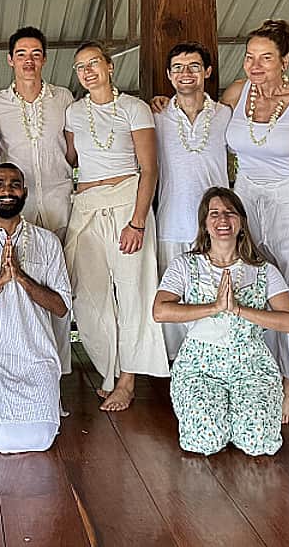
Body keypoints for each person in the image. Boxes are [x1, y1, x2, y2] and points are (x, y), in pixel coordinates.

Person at [221, 19, 289, 424]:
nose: (255, 65)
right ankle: (256, 378)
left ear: (284, 60)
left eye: (265, 58)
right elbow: (199, 120)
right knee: (251, 287)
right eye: (250, 56)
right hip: (246, 197)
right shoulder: (235, 93)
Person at [153, 187, 289, 456]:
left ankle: (238, 420)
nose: (223, 220)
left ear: (241, 222)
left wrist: (238, 309)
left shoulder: (262, 269)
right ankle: (222, 419)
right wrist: (214, 307)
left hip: (252, 364)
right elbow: (160, 311)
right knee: (204, 441)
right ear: (205, 224)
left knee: (258, 443)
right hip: (200, 365)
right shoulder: (186, 265)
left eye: (230, 213)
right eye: (214, 214)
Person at [63, 41, 169, 412]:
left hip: (128, 204)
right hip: (87, 207)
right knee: (88, 298)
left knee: (133, 293)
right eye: (80, 67)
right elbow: (72, 157)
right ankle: (109, 370)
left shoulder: (134, 108)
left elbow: (149, 168)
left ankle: (127, 380)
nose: (88, 71)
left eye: (94, 63)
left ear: (109, 67)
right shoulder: (74, 113)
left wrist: (137, 221)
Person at [0, 164, 71, 453]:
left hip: (38, 358)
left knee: (42, 437)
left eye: (14, 184)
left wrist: (21, 277)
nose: (7, 190)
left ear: (25, 192)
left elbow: (60, 308)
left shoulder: (48, 242)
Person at [0, 27, 76, 372]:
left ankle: (58, 371)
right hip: (17, 205)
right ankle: (21, 366)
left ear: (45, 59)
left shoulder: (64, 98)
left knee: (57, 286)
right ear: (10, 60)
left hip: (59, 200)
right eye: (21, 54)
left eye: (36, 54)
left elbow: (73, 149)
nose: (29, 60)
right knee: (18, 284)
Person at [151, 42, 231, 361]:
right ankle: (178, 372)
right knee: (174, 302)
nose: (186, 73)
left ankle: (212, 363)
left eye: (194, 66)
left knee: (216, 298)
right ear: (170, 76)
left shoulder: (226, 115)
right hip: (171, 223)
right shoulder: (155, 115)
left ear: (207, 72)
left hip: (217, 229)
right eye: (179, 68)